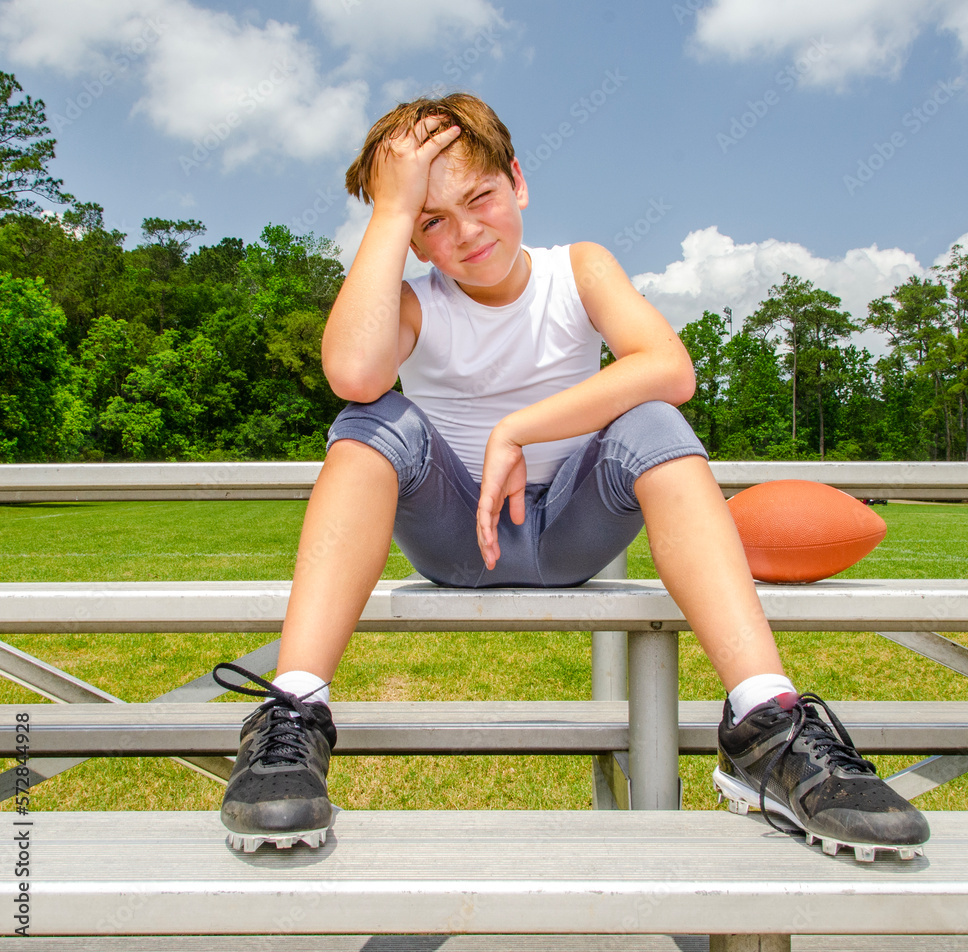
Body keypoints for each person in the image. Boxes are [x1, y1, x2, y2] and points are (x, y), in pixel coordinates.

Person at [212, 92, 929, 860]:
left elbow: (670, 369)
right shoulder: (412, 304)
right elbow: (353, 371)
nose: (465, 232)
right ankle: (295, 712)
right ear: (410, 240)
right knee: (370, 421)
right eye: (430, 220)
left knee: (654, 419)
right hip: (461, 538)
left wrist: (521, 427)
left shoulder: (578, 269)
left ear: (516, 181)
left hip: (570, 529)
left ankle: (766, 723)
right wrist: (387, 213)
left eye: (479, 197)